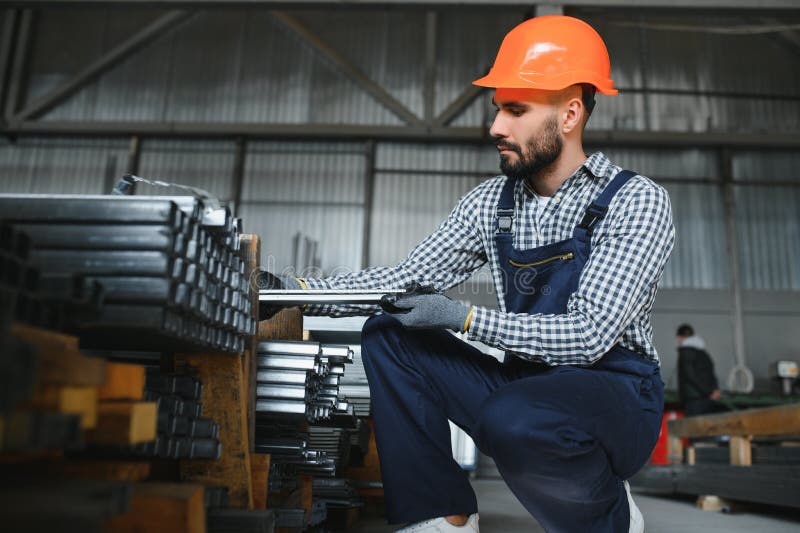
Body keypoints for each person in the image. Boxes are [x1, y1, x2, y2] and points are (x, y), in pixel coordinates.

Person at [259, 15, 674, 533]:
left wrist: (466, 319)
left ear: (569, 114)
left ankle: (608, 513)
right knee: (391, 333)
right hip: (527, 383)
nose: (496, 127)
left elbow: (588, 336)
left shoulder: (634, 201)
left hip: (613, 394)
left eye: (515, 110)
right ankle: (442, 515)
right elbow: (406, 279)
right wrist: (292, 292)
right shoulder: (490, 205)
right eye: (498, 108)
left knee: (517, 418)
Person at [676, 324, 724, 417]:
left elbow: (690, 375)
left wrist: (708, 391)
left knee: (693, 429)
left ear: (680, 337)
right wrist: (713, 391)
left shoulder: (685, 352)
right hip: (708, 398)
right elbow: (711, 373)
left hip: (694, 399)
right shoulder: (703, 352)